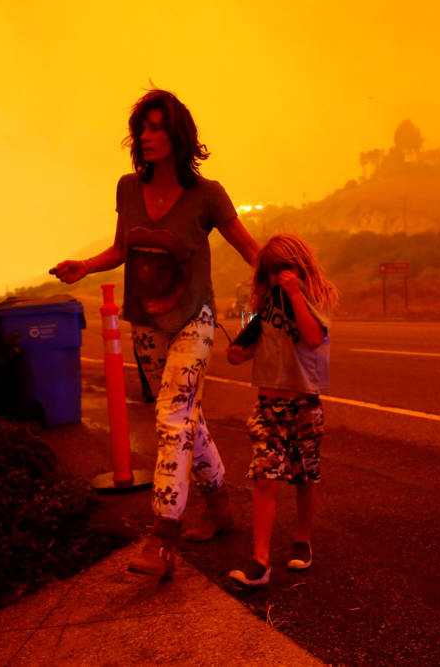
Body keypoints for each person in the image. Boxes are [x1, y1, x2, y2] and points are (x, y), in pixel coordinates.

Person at [49, 88, 258, 578]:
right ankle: (221, 508)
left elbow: (251, 251)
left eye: (157, 127)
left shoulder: (208, 195)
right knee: (187, 419)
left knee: (171, 416)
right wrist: (86, 265)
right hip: (145, 324)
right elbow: (122, 248)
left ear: (178, 135)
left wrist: (288, 279)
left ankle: (163, 536)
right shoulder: (127, 188)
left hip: (194, 321)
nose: (146, 136)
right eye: (142, 128)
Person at [225, 234, 338, 586]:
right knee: (264, 476)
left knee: (305, 475)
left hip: (304, 401)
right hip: (268, 404)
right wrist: (240, 353)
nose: (278, 276)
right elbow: (257, 343)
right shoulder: (265, 308)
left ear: (301, 266)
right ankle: (260, 560)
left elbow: (313, 337)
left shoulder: (316, 298)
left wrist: (293, 293)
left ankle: (302, 539)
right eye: (272, 271)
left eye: (285, 268)